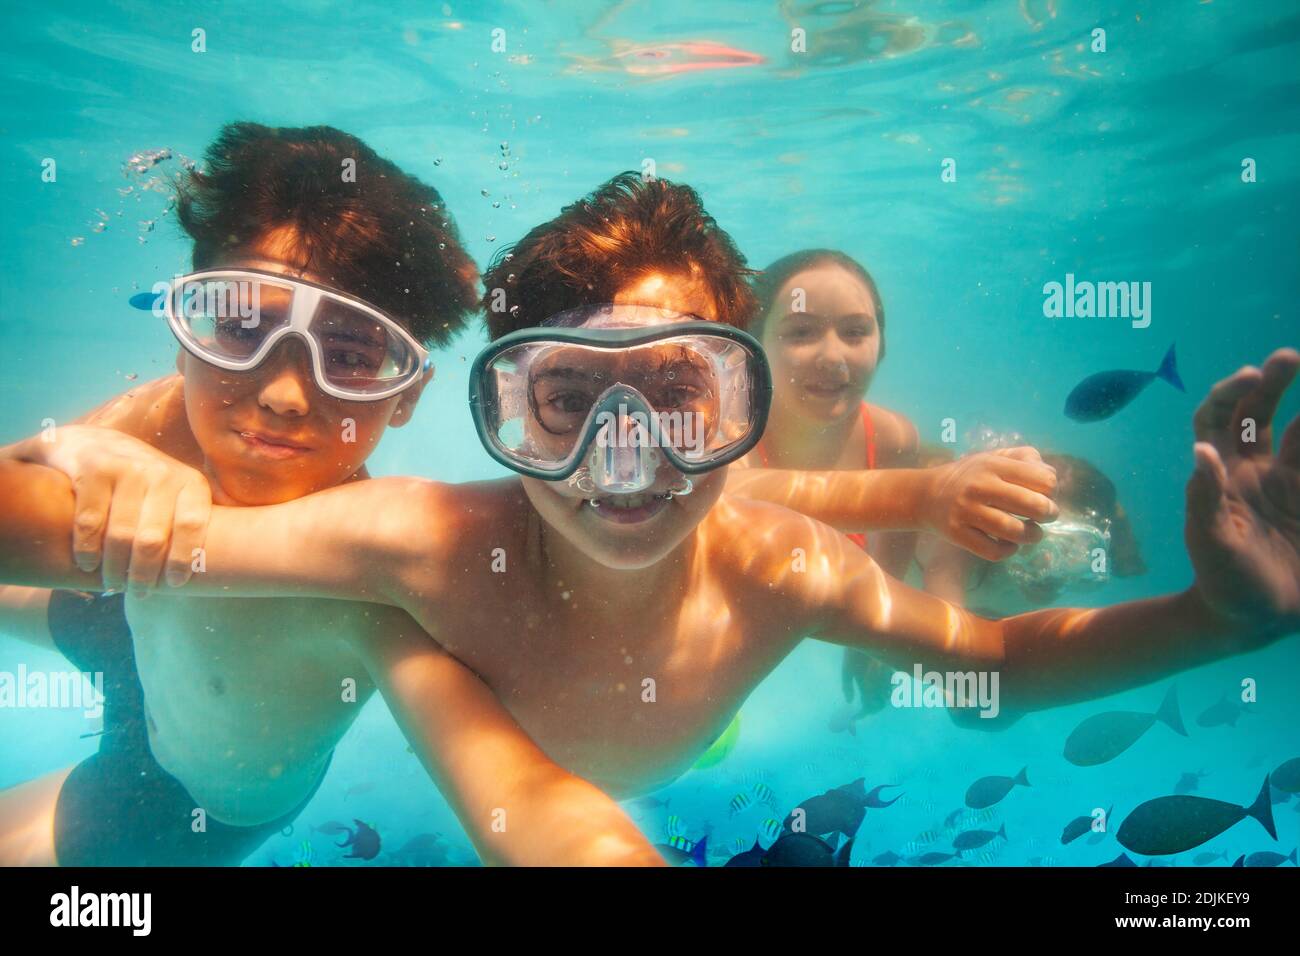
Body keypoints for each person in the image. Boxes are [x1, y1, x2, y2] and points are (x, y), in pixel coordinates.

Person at [5, 172, 1297, 809]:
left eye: (677, 400)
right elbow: (120, 545)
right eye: (567, 404)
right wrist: (94, 477)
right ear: (505, 413)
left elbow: (992, 661)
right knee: (82, 614)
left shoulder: (784, 565)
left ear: (746, 417)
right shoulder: (428, 546)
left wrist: (1222, 620)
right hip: (169, 659)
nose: (623, 464)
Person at [0, 127, 659, 867]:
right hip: (118, 619)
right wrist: (65, 447)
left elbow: (522, 791)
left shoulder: (368, 586)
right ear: (187, 335)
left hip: (171, 802)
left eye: (349, 356)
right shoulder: (162, 416)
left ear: (405, 394)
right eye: (243, 325)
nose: (281, 393)